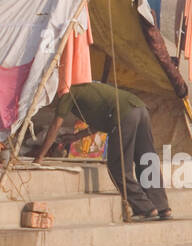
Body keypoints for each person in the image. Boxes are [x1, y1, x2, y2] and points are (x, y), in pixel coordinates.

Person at [35, 81, 173, 220]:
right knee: (146, 159)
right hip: (140, 108)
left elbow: (55, 125)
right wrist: (77, 136)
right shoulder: (85, 87)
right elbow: (102, 117)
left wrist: (39, 157)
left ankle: (145, 208)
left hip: (123, 115)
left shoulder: (67, 92)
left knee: (118, 167)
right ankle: (162, 206)